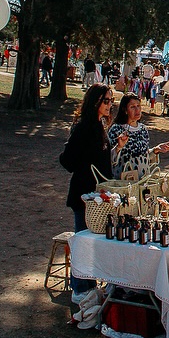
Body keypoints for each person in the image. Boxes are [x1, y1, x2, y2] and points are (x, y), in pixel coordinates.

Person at [60, 84, 115, 302]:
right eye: (106, 101)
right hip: (84, 194)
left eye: (111, 101)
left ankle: (89, 284)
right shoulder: (84, 127)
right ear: (95, 102)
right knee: (83, 241)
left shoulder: (98, 126)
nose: (110, 105)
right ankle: (80, 288)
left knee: (91, 242)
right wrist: (84, 165)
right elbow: (67, 160)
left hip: (96, 195)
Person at [107, 94, 169, 177]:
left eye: (138, 106)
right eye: (132, 107)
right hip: (123, 182)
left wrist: (156, 150)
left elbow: (143, 156)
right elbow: (108, 158)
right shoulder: (116, 130)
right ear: (125, 110)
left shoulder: (143, 129)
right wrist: (119, 147)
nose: (137, 110)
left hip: (142, 181)